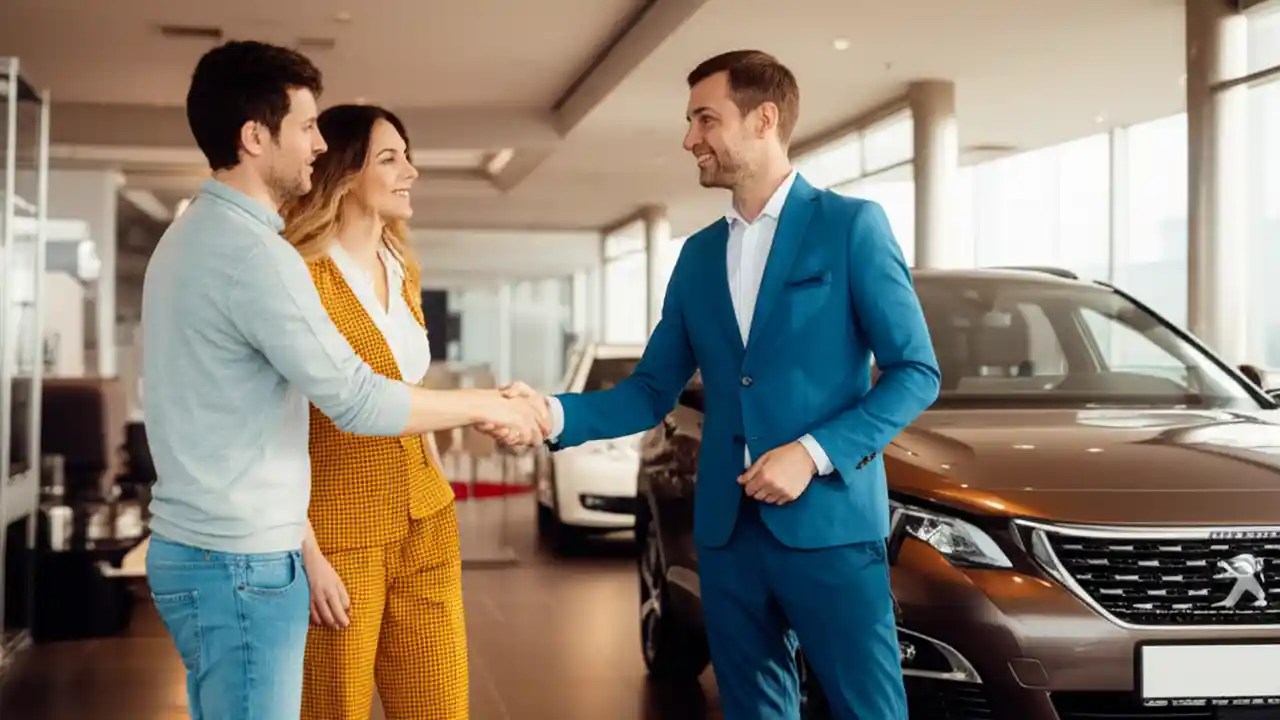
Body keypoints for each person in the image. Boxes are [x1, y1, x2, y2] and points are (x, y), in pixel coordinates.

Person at [502, 50, 940, 719]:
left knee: (867, 711)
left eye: (705, 119)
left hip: (828, 528)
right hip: (728, 534)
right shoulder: (698, 255)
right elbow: (651, 389)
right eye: (690, 121)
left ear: (764, 119)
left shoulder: (851, 228)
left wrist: (813, 453)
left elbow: (916, 371)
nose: (689, 139)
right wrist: (550, 416)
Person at [141, 41, 545, 720]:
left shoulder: (210, 240)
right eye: (306, 127)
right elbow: (353, 399)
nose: (317, 143)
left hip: (375, 521)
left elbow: (265, 412)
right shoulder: (265, 260)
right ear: (254, 137)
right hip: (275, 544)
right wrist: (490, 404)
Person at [277, 104, 468, 719]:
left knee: (439, 705)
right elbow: (270, 427)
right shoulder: (299, 274)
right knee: (334, 709)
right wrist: (305, 554)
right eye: (390, 158)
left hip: (426, 520)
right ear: (345, 172)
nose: (410, 170)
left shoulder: (403, 267)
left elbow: (410, 387)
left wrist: (438, 481)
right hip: (337, 537)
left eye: (407, 156)